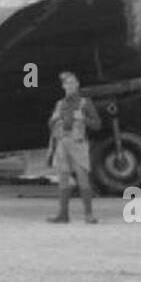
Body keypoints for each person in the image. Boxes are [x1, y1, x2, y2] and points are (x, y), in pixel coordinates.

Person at [46, 71, 101, 224]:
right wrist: (54, 121)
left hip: (78, 144)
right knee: (63, 179)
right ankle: (63, 214)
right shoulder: (59, 104)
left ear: (77, 85)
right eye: (67, 83)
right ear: (63, 86)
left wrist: (84, 119)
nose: (69, 86)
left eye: (72, 83)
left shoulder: (85, 103)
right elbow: (50, 125)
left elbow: (97, 124)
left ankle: (88, 214)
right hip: (63, 143)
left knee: (83, 179)